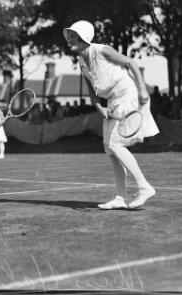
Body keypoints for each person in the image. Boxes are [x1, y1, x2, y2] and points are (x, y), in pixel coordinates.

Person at [63, 20, 159, 210]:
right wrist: (99, 108)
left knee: (116, 144)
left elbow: (130, 62)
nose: (69, 40)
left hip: (127, 93)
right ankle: (121, 197)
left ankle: (144, 187)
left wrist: (142, 88)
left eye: (73, 36)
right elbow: (92, 89)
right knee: (109, 148)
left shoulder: (102, 50)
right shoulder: (82, 61)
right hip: (112, 100)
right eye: (69, 36)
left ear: (84, 37)